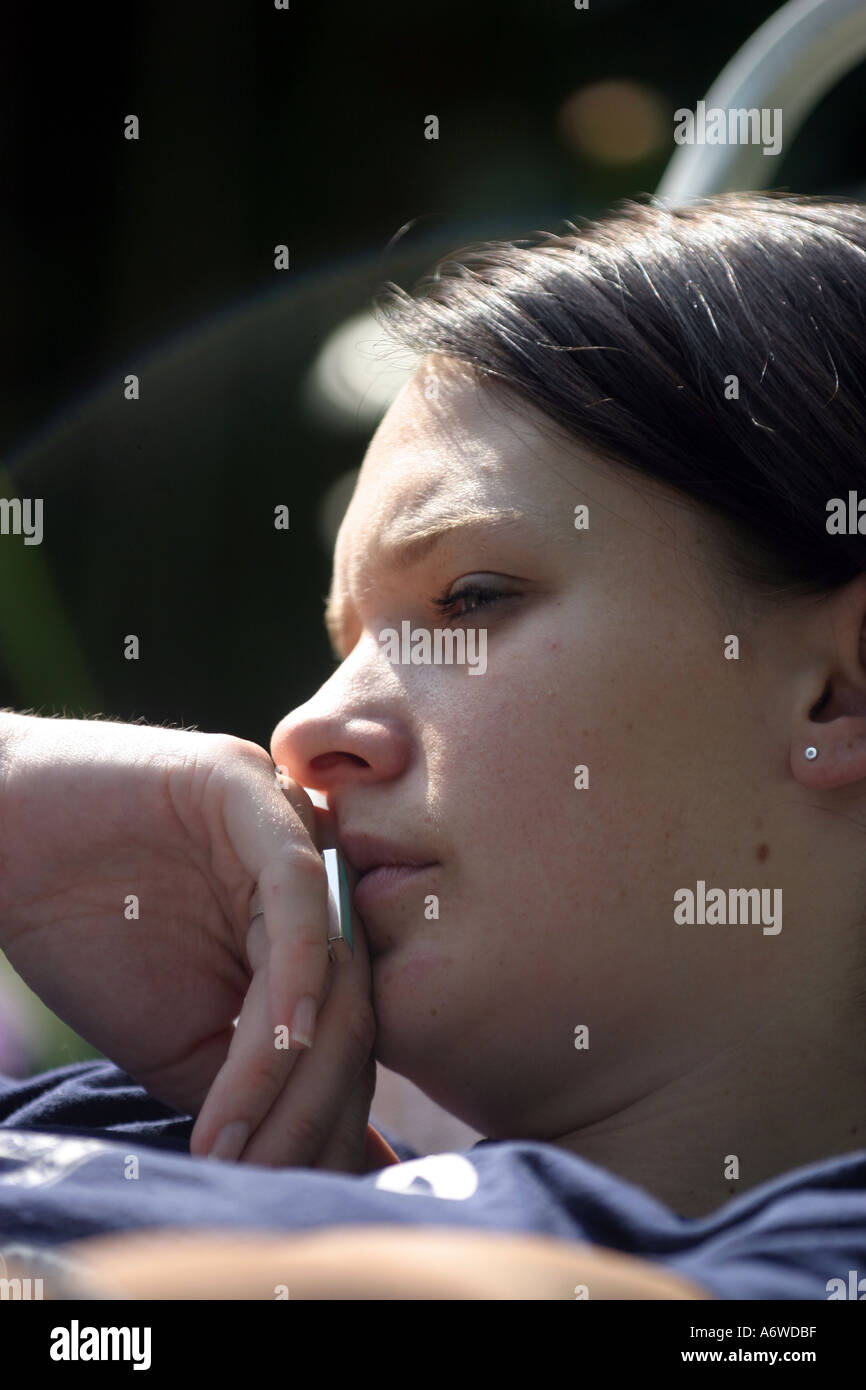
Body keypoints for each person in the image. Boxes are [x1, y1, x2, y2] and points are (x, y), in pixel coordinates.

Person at [1, 189, 865, 1300]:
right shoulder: (146, 1119)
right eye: (345, 641)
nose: (303, 730)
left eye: (470, 597)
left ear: (837, 689)